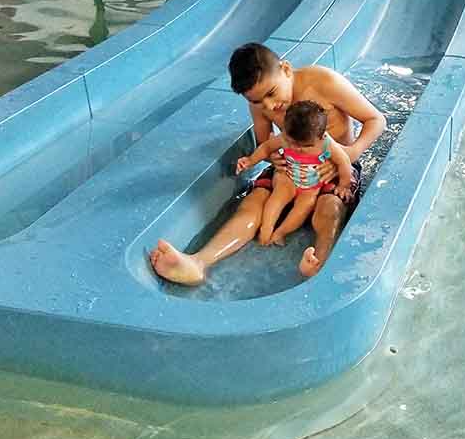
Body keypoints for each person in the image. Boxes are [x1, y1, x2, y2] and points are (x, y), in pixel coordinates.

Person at [149, 43, 386, 284]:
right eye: (258, 102)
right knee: (253, 203)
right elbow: (265, 142)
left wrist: (349, 154)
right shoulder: (259, 102)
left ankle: (319, 263)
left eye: (271, 93)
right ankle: (198, 263)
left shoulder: (323, 82)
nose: (269, 106)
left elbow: (376, 119)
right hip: (290, 167)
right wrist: (274, 160)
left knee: (330, 206)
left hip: (332, 168)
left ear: (285, 69)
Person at [235, 100, 353, 248]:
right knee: (277, 197)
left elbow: (344, 162)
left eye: (306, 146)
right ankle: (266, 228)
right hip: (287, 177)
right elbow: (266, 148)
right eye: (292, 143)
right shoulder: (284, 138)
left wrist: (344, 185)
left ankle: (281, 232)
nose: (297, 148)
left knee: (304, 207)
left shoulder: (326, 144)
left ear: (322, 136)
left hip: (311, 186)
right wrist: (250, 160)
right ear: (284, 131)